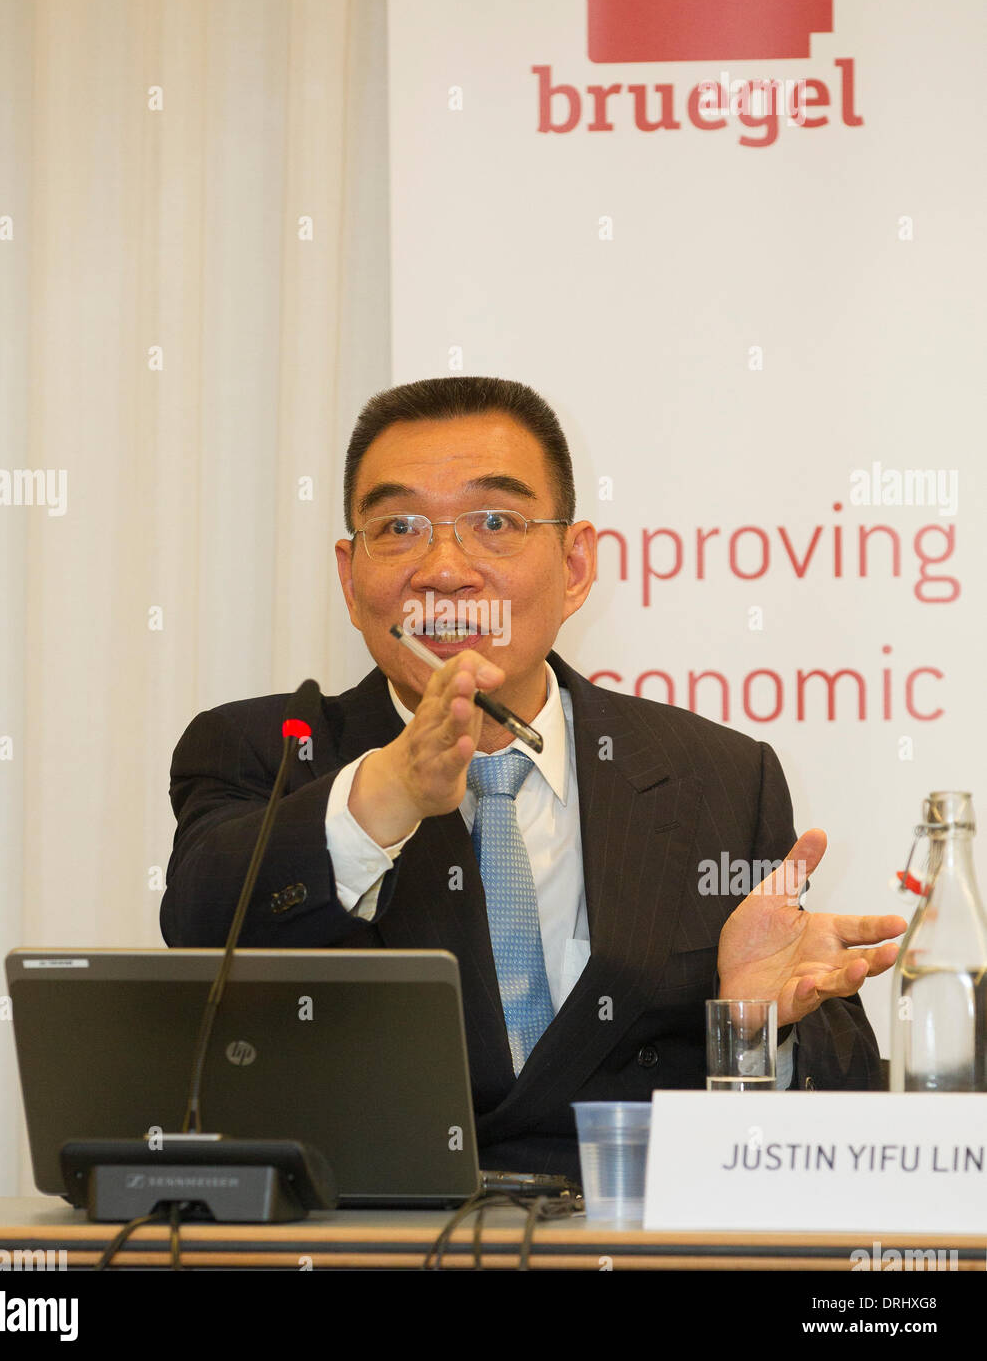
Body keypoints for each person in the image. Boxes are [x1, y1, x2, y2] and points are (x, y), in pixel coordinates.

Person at [161, 375, 906, 1180]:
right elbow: (203, 922)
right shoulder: (271, 752)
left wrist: (755, 1029)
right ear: (350, 576)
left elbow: (842, 1124)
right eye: (399, 527)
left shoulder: (717, 778)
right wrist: (391, 792)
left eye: (495, 522)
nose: (444, 569)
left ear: (576, 565)